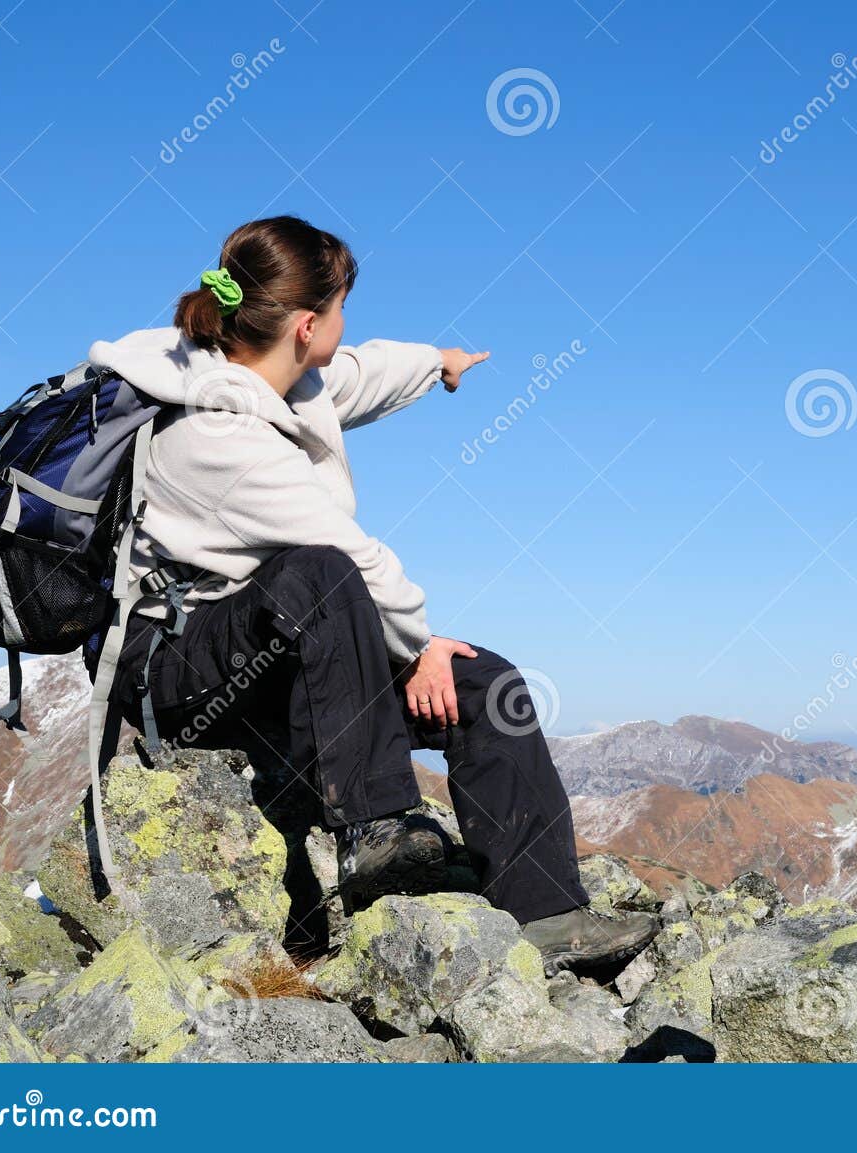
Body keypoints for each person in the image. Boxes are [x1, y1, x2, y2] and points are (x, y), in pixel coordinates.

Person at [87, 215, 655, 974]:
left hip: (273, 642)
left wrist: (440, 362)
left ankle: (548, 913)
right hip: (183, 676)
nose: (348, 327)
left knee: (483, 683)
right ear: (308, 323)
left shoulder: (284, 378)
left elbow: (361, 372)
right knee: (324, 573)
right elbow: (353, 556)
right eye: (344, 307)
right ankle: (375, 829)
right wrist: (417, 648)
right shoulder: (217, 435)